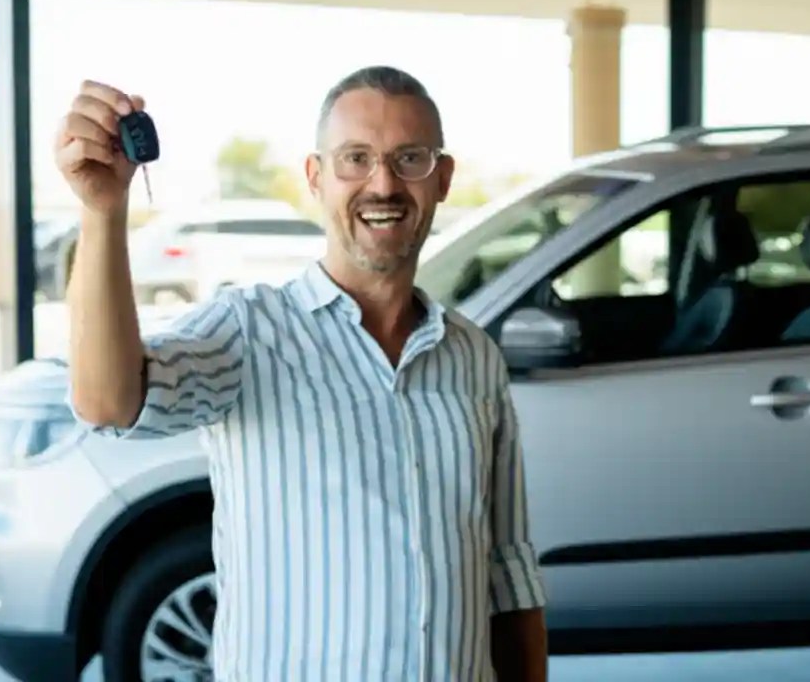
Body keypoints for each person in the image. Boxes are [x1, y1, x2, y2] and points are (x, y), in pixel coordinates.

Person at [58, 65, 548, 681]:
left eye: (410, 159)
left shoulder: (473, 356)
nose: (383, 184)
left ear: (443, 178)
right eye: (356, 158)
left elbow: (507, 574)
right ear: (316, 178)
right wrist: (103, 213)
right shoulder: (249, 332)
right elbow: (108, 401)